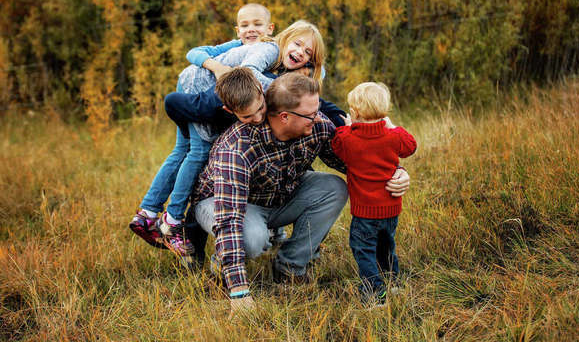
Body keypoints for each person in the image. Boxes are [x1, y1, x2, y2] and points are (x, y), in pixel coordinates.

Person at [189, 73, 411, 314]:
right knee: (252, 238)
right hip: (224, 205)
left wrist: (397, 173)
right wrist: (240, 293)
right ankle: (225, 269)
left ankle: (289, 267)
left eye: (317, 110)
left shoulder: (317, 125)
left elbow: (358, 162)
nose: (318, 118)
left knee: (333, 188)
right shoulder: (237, 149)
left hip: (279, 197)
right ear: (285, 117)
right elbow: (229, 219)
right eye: (311, 114)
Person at [129, 18, 326, 264]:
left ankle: (149, 213)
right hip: (200, 88)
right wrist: (285, 91)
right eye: (297, 44)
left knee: (189, 155)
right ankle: (171, 220)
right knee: (198, 157)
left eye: (308, 52)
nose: (300, 52)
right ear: (284, 37)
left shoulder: (288, 68)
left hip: (220, 96)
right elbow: (202, 68)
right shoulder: (268, 51)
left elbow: (315, 90)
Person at [331, 82, 417, 306]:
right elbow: (411, 145)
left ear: (354, 112)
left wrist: (348, 126)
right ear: (385, 112)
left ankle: (374, 292)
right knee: (386, 245)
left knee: (364, 249)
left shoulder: (349, 139)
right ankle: (393, 283)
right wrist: (393, 126)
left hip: (364, 212)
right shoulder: (392, 136)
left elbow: (336, 144)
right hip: (390, 209)